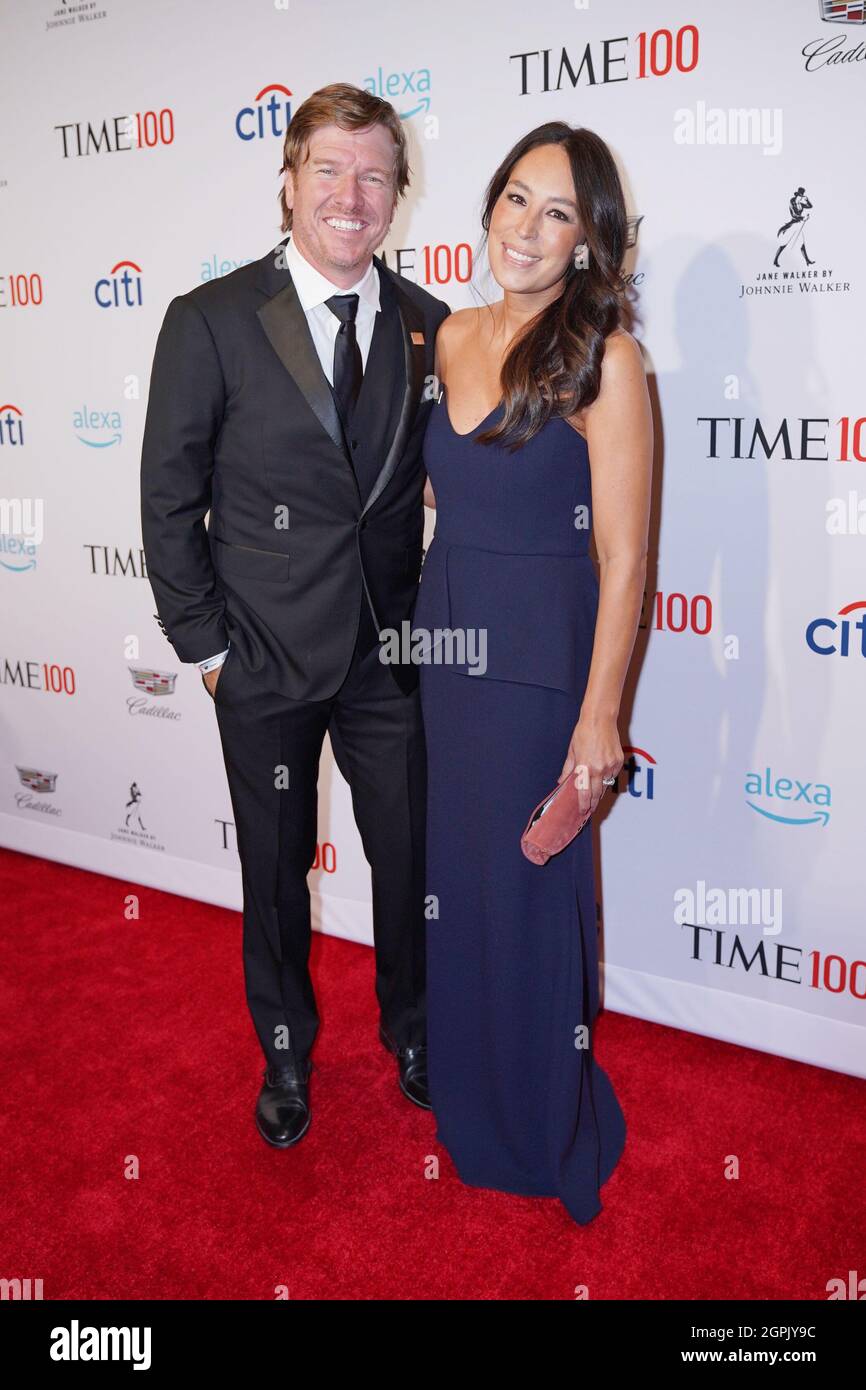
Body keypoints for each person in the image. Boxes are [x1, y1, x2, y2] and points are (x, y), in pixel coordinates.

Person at [140, 84, 450, 1148]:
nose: (349, 195)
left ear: (397, 196)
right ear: (287, 182)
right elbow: (169, 497)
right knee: (272, 874)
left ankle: (416, 1032)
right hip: (262, 660)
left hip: (391, 661)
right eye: (327, 168)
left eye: (372, 174)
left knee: (411, 862)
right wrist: (210, 650)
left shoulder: (428, 326)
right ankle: (283, 1053)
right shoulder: (210, 320)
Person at [415, 122, 653, 1225]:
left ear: (586, 241)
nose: (527, 226)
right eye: (516, 197)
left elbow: (623, 554)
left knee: (525, 878)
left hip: (542, 669)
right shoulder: (445, 335)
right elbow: (437, 498)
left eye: (557, 212)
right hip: (447, 650)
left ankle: (539, 1110)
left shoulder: (606, 357)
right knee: (460, 881)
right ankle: (470, 1094)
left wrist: (600, 714)